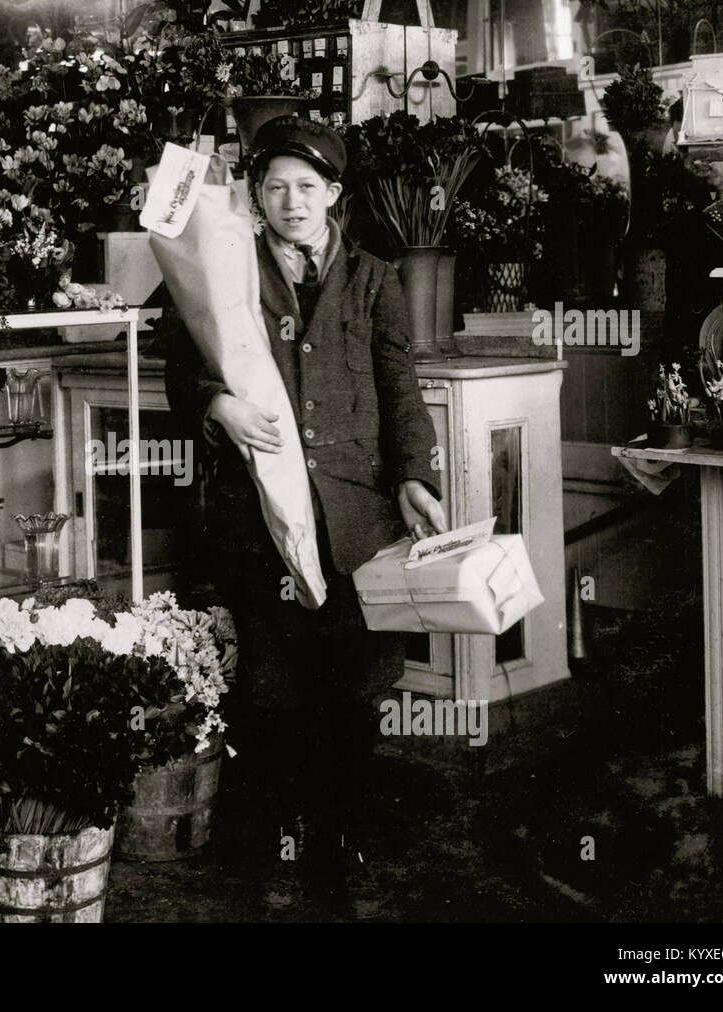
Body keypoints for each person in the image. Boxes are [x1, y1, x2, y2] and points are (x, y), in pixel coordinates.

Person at [161, 116, 447, 903]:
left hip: (355, 516)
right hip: (261, 513)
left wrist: (413, 478)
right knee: (276, 685)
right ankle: (280, 840)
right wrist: (216, 405)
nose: (292, 200)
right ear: (256, 195)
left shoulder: (374, 278)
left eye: (307, 187)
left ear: (334, 196)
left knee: (356, 683)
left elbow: (401, 389)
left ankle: (340, 835)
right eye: (277, 186)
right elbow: (177, 368)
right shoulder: (223, 269)